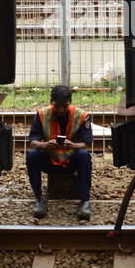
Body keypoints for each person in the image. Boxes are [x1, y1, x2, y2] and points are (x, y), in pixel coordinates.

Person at [26, 85, 93, 220]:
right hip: (49, 160)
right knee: (32, 155)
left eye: (65, 106)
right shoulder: (41, 115)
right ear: (51, 102)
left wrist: (73, 145)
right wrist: (45, 145)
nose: (61, 110)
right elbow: (32, 142)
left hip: (71, 161)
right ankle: (39, 199)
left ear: (70, 102)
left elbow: (87, 143)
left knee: (84, 156)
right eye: (57, 106)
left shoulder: (82, 116)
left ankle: (84, 201)